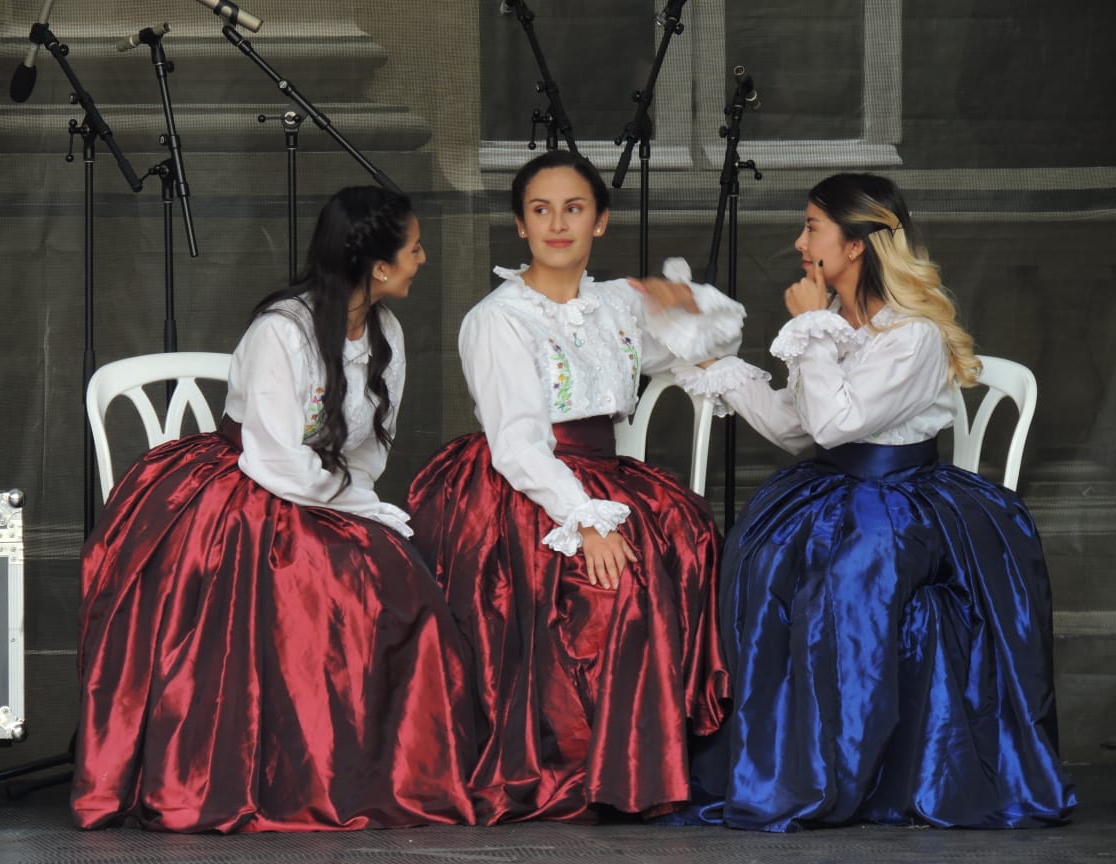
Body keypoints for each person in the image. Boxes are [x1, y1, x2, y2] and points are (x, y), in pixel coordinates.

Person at [672, 173, 1077, 830]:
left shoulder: (911, 336)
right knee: (761, 554)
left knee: (853, 575)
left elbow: (837, 422)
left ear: (855, 244)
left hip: (904, 497)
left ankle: (842, 770)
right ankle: (784, 760)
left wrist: (806, 328)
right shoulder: (833, 322)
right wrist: (724, 370)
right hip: (837, 485)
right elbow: (797, 428)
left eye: (812, 227)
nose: (800, 241)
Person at [72, 186, 476, 833]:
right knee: (316, 590)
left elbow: (370, 448)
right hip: (246, 488)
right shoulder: (280, 332)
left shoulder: (386, 333)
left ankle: (382, 772)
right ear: (377, 265)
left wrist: (360, 503)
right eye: (416, 248)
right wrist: (353, 506)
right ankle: (286, 776)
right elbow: (275, 458)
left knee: (401, 586)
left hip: (321, 487)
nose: (423, 259)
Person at [406, 149, 743, 824]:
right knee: (606, 587)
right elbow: (518, 441)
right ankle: (582, 765)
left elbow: (713, 336)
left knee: (690, 539)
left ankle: (657, 761)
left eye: (574, 208)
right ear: (521, 226)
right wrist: (584, 517)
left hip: (606, 469)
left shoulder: (615, 303)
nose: (558, 224)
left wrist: (678, 299)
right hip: (525, 480)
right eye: (540, 210)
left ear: (601, 221)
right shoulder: (498, 318)